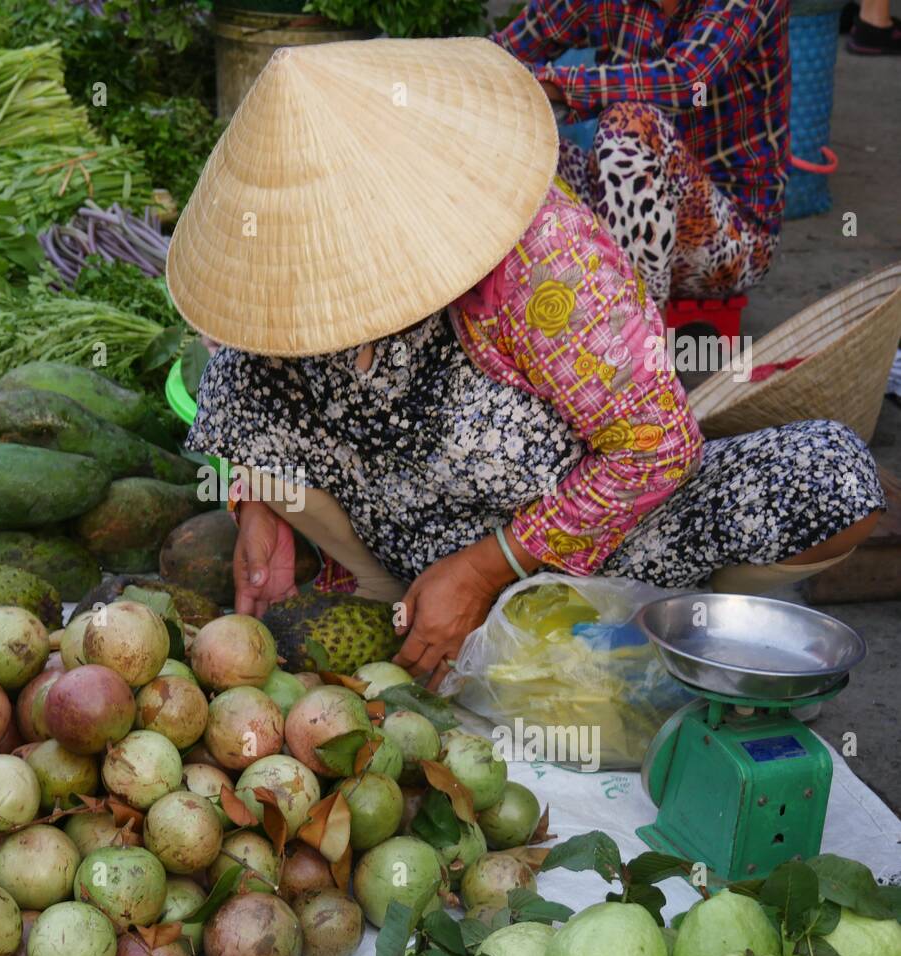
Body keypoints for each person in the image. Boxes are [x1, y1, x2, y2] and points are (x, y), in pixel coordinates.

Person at [165, 37, 884, 690]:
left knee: (833, 475)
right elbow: (245, 386)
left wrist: (487, 567)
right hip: (378, 524)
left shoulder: (549, 260)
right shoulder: (271, 264)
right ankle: (385, 587)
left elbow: (656, 446)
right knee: (234, 375)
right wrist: (257, 503)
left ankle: (639, 623)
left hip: (552, 538)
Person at [492, 0, 789, 303]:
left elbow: (687, 80)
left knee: (629, 125)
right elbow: (502, 54)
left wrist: (553, 85)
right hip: (622, 221)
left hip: (733, 239)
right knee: (517, 150)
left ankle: (637, 331)